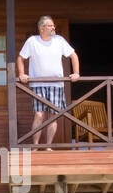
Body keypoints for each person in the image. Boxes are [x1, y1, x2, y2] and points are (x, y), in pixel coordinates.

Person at [17, 16, 81, 147]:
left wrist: (76, 73)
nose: (53, 28)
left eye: (54, 26)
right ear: (42, 28)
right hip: (38, 85)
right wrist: (22, 74)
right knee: (39, 115)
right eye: (50, 26)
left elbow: (73, 55)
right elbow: (20, 58)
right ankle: (36, 146)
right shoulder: (32, 41)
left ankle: (48, 146)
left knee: (53, 116)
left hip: (56, 84)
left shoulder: (59, 40)